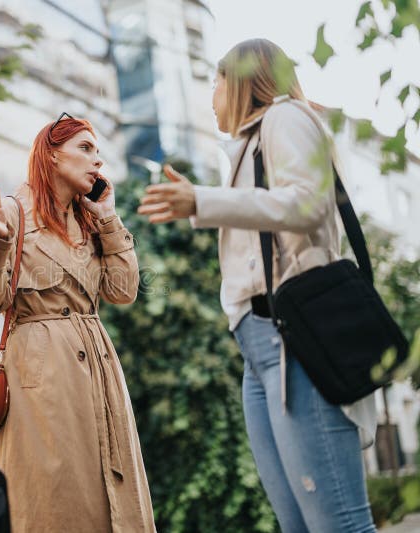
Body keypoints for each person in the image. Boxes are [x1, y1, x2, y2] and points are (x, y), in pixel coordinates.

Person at [138, 38, 377, 532]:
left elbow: (308, 204)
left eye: (215, 81)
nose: (210, 96)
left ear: (243, 79)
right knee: (299, 524)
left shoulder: (285, 118)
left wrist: (203, 202)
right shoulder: (250, 146)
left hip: (295, 340)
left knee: (338, 524)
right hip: (261, 347)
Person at [0, 114, 157, 532]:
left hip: (98, 367)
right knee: (54, 498)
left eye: (99, 151)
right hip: (41, 374)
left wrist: (110, 219)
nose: (98, 161)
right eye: (86, 148)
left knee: (113, 496)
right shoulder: (11, 212)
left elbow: (123, 291)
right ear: (53, 155)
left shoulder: (91, 219)